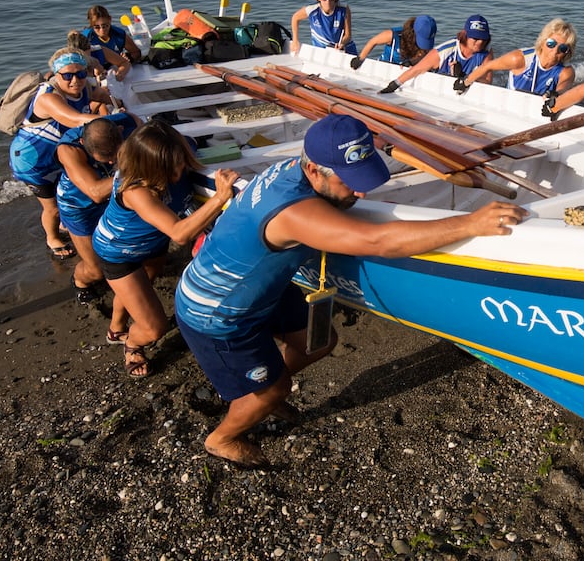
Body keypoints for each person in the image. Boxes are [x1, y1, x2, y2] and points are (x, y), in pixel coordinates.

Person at [174, 114, 526, 467]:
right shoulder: (293, 212)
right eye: (350, 182)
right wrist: (470, 222)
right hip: (217, 311)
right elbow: (377, 241)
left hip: (260, 289)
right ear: (313, 171)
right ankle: (223, 437)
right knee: (276, 390)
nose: (360, 192)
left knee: (320, 341)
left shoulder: (293, 168)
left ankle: (261, 391)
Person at [92, 119, 239, 378]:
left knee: (139, 288)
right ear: (148, 166)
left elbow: (190, 141)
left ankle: (116, 328)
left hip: (152, 242)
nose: (179, 169)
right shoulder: (136, 191)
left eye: (180, 160)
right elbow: (179, 234)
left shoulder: (177, 150)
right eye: (172, 166)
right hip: (119, 252)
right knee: (153, 327)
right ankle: (132, 343)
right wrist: (220, 197)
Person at [9, 48, 115, 259]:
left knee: (66, 193)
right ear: (57, 75)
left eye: (80, 73)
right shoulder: (49, 98)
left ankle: (70, 225)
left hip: (58, 155)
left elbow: (99, 95)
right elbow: (75, 119)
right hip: (32, 162)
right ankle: (52, 237)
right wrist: (118, 122)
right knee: (53, 207)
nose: (75, 80)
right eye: (67, 75)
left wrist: (112, 98)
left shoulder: (83, 88)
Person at [56, 113, 141, 303]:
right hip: (78, 207)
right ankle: (80, 281)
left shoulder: (129, 122)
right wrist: (140, 169)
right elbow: (94, 192)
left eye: (115, 154)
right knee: (95, 271)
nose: (112, 162)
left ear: (120, 132)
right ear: (83, 144)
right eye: (106, 158)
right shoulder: (69, 149)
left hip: (113, 197)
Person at [454, 18, 576, 97]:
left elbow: (564, 87)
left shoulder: (566, 72)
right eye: (551, 44)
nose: (555, 51)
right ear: (543, 41)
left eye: (563, 48)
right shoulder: (519, 59)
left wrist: (556, 95)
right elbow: (487, 66)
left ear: (567, 52)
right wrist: (465, 82)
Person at [378, 14, 493, 94]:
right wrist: (394, 85)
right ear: (465, 35)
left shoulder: (486, 52)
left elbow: (487, 81)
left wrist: (465, 77)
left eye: (483, 38)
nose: (480, 42)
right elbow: (416, 70)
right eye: (475, 38)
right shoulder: (445, 51)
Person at [289, 0, 356, 54]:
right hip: (322, 52)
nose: (327, 1)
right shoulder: (312, 10)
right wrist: (295, 40)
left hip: (343, 50)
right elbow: (295, 18)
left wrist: (342, 43)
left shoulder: (344, 10)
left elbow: (348, 35)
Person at [349, 15, 437, 70]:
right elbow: (373, 41)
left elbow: (423, 56)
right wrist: (361, 58)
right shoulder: (393, 35)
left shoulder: (426, 43)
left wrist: (410, 62)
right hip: (384, 67)